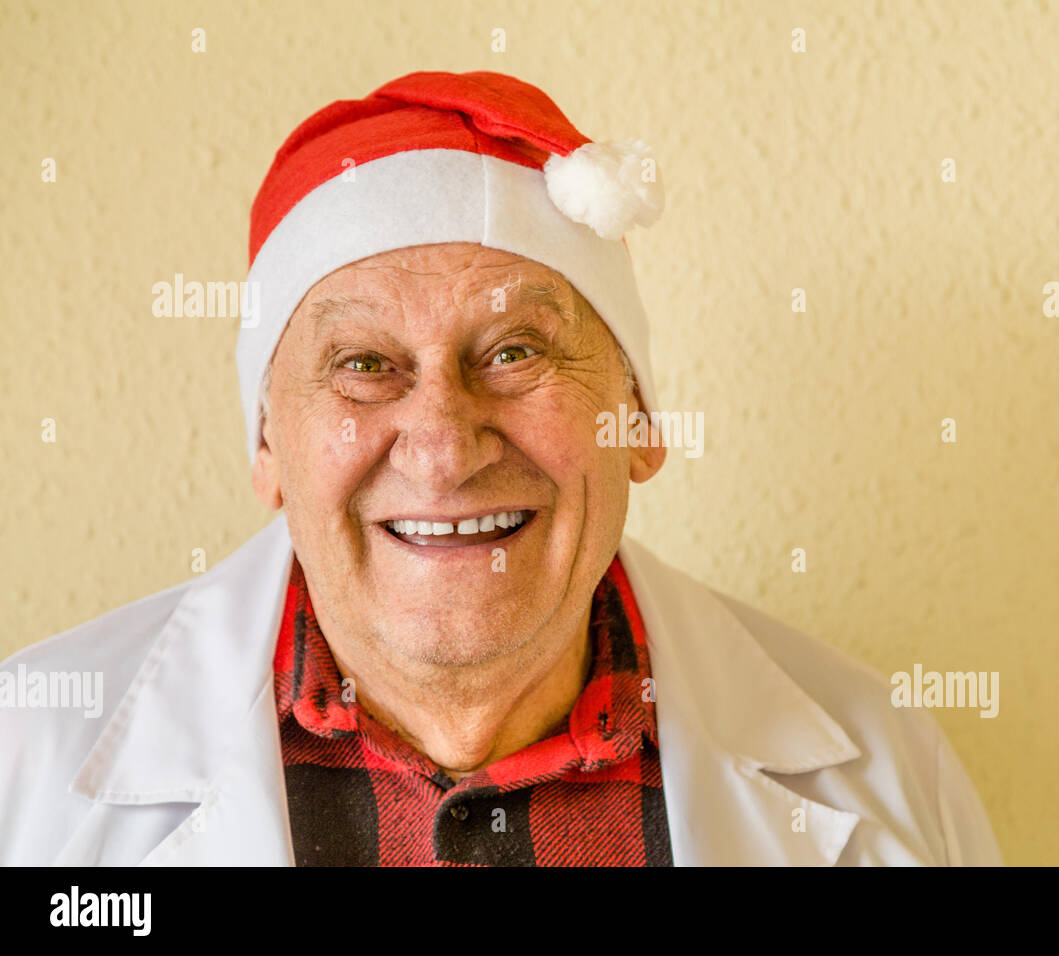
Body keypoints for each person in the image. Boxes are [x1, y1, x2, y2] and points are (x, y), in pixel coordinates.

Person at [0, 70, 1001, 866]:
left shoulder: (886, 767)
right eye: (363, 366)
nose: (441, 442)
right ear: (266, 446)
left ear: (639, 416)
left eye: (515, 351)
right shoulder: (21, 761)